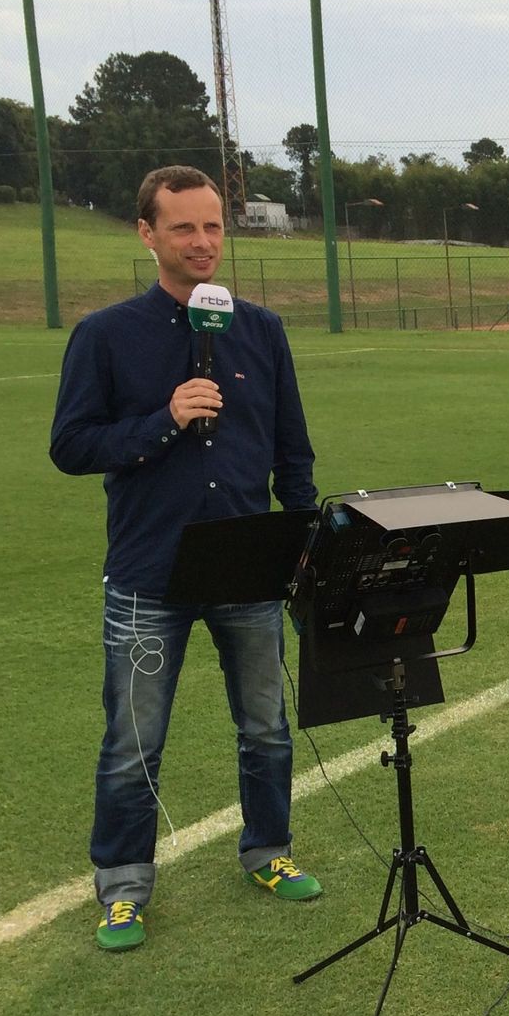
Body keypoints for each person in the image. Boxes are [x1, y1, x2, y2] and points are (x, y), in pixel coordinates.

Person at [51, 165, 322, 952]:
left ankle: (268, 851)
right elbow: (70, 446)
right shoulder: (105, 336)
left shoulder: (261, 331)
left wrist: (301, 549)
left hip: (247, 567)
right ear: (147, 235)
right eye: (183, 228)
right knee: (133, 742)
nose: (203, 243)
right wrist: (162, 418)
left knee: (267, 728)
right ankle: (124, 886)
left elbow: (291, 453)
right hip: (149, 575)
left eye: (212, 227)